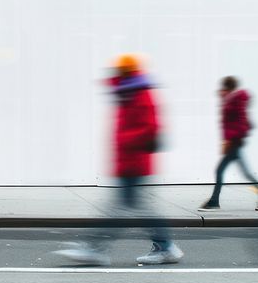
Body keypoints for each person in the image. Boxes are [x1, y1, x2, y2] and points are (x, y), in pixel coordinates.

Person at [57, 54, 183, 266]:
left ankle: (96, 249)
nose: (116, 75)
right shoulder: (127, 94)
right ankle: (164, 246)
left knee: (119, 209)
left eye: (120, 72)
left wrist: (125, 141)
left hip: (135, 161)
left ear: (129, 73)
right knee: (133, 208)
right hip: (127, 160)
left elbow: (150, 129)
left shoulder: (140, 96)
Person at [199, 76, 258, 211]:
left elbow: (239, 120)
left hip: (234, 142)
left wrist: (230, 140)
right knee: (241, 172)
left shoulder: (235, 100)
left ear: (227, 87)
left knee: (230, 171)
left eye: (223, 87)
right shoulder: (230, 100)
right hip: (233, 142)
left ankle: (214, 202)